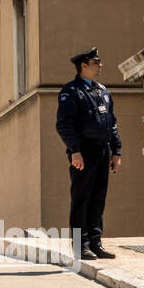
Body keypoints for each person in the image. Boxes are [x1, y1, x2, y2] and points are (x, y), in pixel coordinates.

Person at [55, 47, 120, 260]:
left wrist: (116, 151)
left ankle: (95, 242)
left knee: (97, 199)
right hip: (84, 151)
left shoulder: (102, 91)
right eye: (96, 62)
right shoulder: (71, 91)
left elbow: (112, 124)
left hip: (102, 151)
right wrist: (75, 150)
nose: (100, 65)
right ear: (83, 65)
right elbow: (64, 124)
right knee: (81, 198)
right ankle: (80, 246)